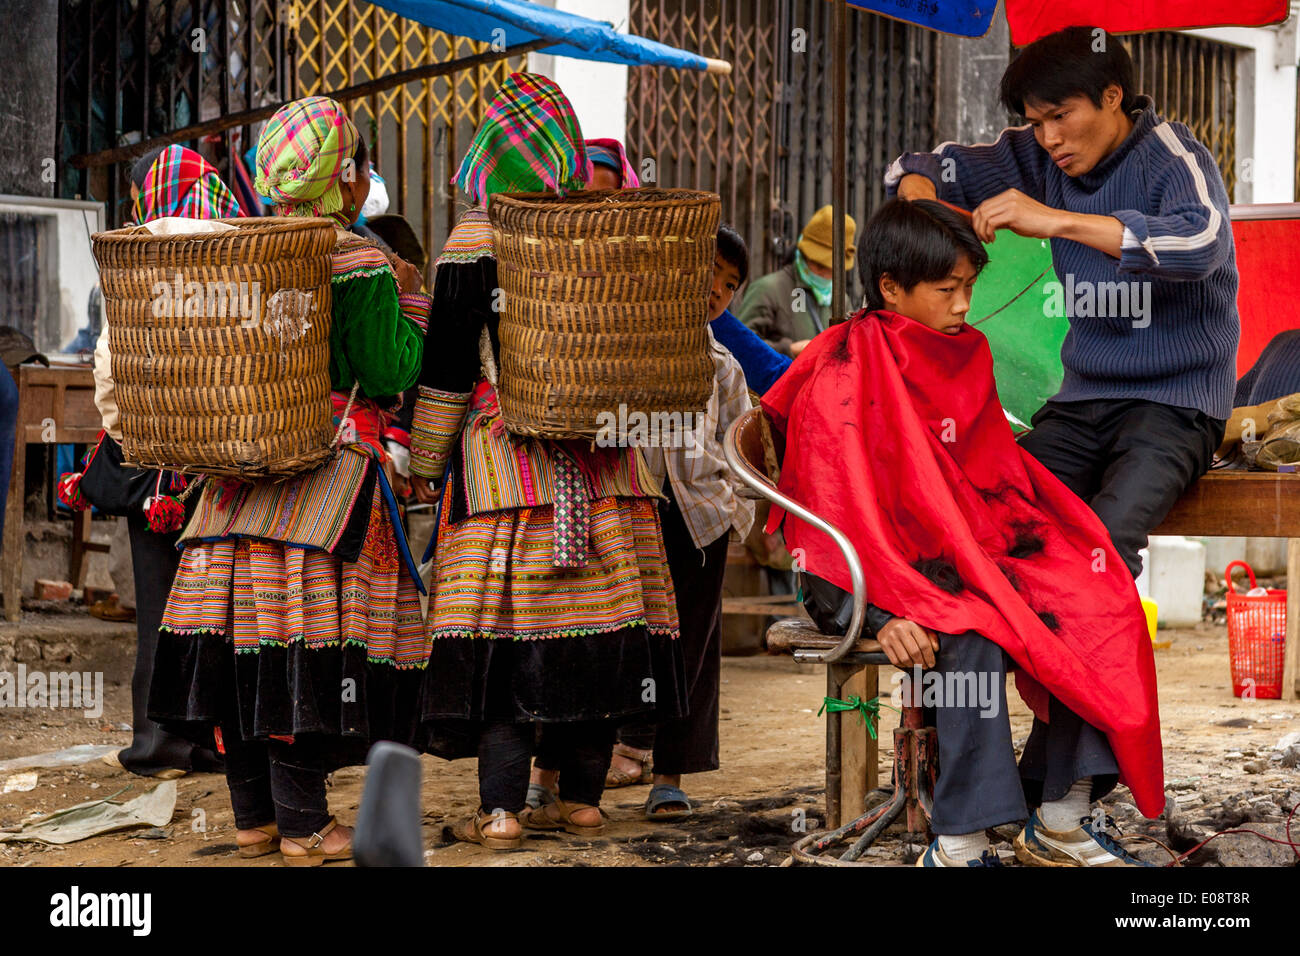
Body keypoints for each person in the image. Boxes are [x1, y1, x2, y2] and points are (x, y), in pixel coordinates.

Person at [766, 199, 1163, 867]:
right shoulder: (843, 370)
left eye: (969, 289)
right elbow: (835, 513)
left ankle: (1064, 808)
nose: (962, 305)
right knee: (972, 631)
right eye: (947, 290)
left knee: (1090, 590)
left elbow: (984, 475)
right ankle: (960, 840)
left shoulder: (961, 352)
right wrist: (883, 611)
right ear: (892, 289)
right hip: (853, 576)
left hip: (949, 553)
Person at [148, 97, 429, 865]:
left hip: (230, 487)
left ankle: (254, 821)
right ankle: (307, 827)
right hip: (323, 482)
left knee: (242, 652)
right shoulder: (358, 259)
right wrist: (413, 311)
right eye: (362, 167)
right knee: (304, 651)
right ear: (345, 177)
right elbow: (388, 369)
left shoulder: (230, 249)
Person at [409, 73, 685, 850]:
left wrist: (427, 460)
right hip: (608, 473)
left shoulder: (476, 243)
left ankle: (500, 811)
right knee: (594, 636)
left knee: (508, 645)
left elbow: (448, 367)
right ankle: (585, 800)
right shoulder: (606, 228)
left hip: (509, 478)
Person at [887, 25, 1238, 579]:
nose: (1049, 138)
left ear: (1112, 96)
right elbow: (917, 165)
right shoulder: (1037, 155)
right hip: (1081, 402)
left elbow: (1203, 243)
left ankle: (1084, 660)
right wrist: (919, 205)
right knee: (989, 514)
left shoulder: (1172, 155)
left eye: (1061, 116)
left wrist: (1057, 221)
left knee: (1101, 545)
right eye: (1036, 122)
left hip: (1173, 406)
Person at [533, 226, 756, 818]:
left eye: (730, 284)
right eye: (708, 272)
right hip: (624, 516)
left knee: (688, 655)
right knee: (596, 641)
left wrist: (736, 508)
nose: (716, 289)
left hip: (697, 525)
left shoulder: (724, 366)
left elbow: (743, 447)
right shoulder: (622, 345)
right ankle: (550, 773)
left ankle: (670, 777)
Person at [88, 145, 240, 778]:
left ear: (148, 196)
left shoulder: (134, 258)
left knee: (159, 607)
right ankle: (214, 740)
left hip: (154, 465)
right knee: (219, 608)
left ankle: (158, 744)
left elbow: (108, 371)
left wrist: (131, 434)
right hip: (231, 461)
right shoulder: (240, 251)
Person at [735, 205, 856, 358]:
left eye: (832, 269)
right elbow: (739, 346)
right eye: (819, 265)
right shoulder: (768, 289)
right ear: (804, 254)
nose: (825, 274)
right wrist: (789, 349)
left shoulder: (842, 301)